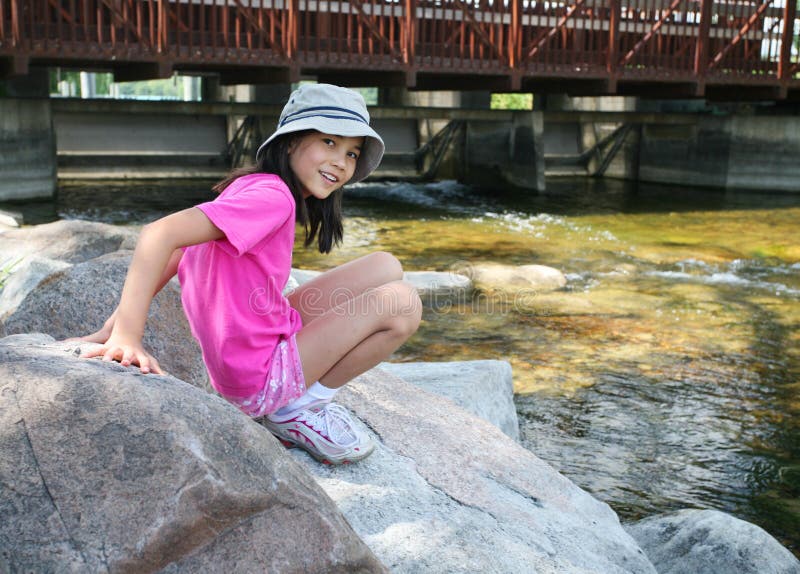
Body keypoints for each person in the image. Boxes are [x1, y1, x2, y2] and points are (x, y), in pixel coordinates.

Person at [74, 84, 422, 465]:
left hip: (261, 343)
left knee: (386, 265)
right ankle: (296, 411)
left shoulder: (252, 186)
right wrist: (127, 335)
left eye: (352, 152)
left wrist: (114, 325)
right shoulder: (271, 198)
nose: (341, 161)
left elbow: (179, 251)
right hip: (257, 381)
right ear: (290, 143)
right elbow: (160, 235)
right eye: (328, 141)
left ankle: (293, 398)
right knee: (403, 304)